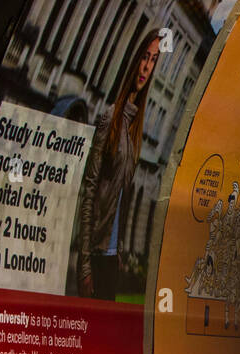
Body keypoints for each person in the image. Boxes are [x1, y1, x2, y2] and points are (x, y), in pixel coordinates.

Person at [77, 29, 161, 297]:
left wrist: (120, 248)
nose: (146, 67)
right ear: (136, 59)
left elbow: (121, 197)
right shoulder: (109, 118)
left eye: (153, 61)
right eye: (145, 57)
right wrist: (85, 264)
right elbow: (90, 191)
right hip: (98, 256)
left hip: (112, 257)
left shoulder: (134, 129)